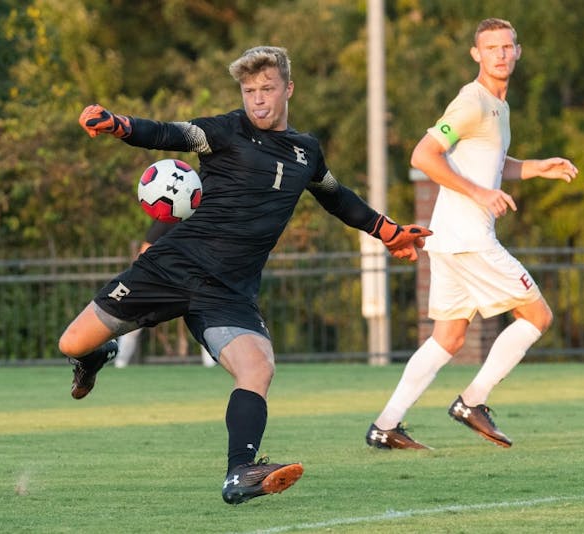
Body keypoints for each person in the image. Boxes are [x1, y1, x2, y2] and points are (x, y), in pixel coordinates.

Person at [60, 45, 431, 504]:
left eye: (267, 89)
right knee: (71, 343)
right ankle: (96, 355)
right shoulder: (225, 130)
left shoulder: (306, 152)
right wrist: (120, 125)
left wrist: (388, 231)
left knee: (258, 368)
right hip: (172, 267)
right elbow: (169, 132)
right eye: (249, 90)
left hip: (228, 290)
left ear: (288, 89)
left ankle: (240, 473)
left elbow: (337, 197)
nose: (258, 99)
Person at [365, 18, 578, 450]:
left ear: (518, 51)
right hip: (469, 239)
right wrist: (480, 193)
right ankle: (472, 401)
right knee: (537, 316)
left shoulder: (499, 106)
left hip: (449, 239)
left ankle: (385, 426)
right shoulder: (472, 102)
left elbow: (489, 163)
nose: (500, 54)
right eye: (491, 47)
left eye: (507, 46)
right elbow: (424, 155)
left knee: (448, 337)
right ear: (476, 54)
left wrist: (536, 168)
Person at [114, 220, 217, 369]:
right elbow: (145, 251)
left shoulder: (201, 219)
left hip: (190, 280)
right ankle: (120, 363)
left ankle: (210, 365)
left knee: (205, 320)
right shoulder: (165, 221)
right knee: (133, 320)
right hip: (159, 281)